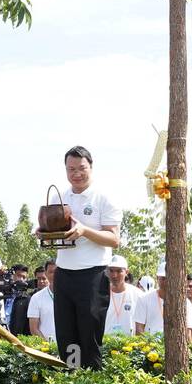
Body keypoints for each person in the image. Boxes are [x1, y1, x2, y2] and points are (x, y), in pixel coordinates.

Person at [45, 146, 121, 370]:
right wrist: (44, 232)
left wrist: (84, 231)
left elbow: (114, 238)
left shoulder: (103, 198)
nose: (76, 174)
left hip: (93, 276)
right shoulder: (60, 197)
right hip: (64, 275)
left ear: (91, 167)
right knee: (66, 335)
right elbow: (50, 227)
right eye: (71, 169)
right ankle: (70, 383)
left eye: (81, 168)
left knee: (89, 336)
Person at [105, 255, 141, 335]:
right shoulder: (101, 294)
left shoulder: (138, 294)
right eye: (111, 271)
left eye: (119, 271)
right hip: (106, 344)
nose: (114, 275)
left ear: (126, 272)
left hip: (130, 345)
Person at [132, 260, 167, 335]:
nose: (166, 282)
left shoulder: (181, 301)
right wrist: (146, 344)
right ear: (157, 278)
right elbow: (139, 328)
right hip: (150, 344)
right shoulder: (144, 298)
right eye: (163, 278)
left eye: (168, 278)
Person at [28, 261, 57, 340]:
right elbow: (34, 329)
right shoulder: (36, 298)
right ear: (46, 274)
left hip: (70, 347)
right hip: (46, 349)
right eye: (51, 272)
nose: (54, 275)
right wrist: (48, 347)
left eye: (57, 271)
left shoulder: (72, 295)